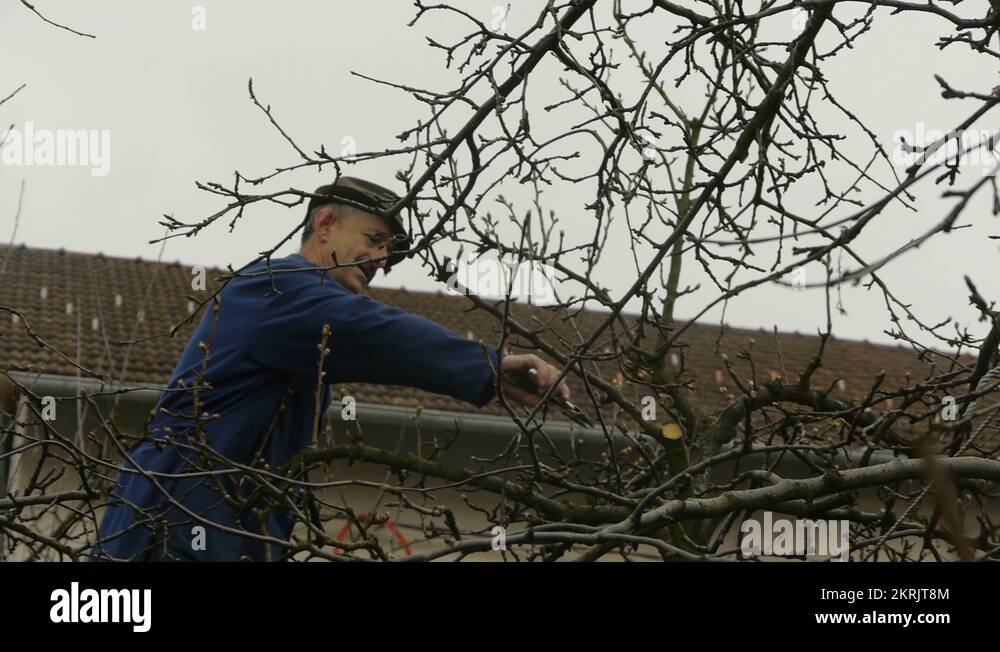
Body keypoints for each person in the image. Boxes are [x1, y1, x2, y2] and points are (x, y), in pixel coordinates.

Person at [94, 177, 569, 561]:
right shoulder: (275, 288)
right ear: (324, 224)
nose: (382, 261)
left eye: (389, 252)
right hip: (170, 522)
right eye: (374, 240)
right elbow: (376, 331)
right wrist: (488, 365)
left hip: (225, 525)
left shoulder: (308, 327)